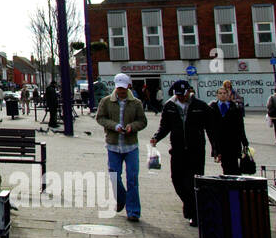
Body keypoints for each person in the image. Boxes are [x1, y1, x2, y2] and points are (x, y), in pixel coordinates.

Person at [150, 80, 210, 226]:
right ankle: (188, 203)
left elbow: (210, 128)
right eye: (178, 95)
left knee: (193, 182)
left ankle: (195, 213)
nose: (181, 97)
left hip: (196, 150)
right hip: (177, 150)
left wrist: (216, 148)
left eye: (183, 95)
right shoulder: (169, 106)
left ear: (189, 91)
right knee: (177, 180)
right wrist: (156, 137)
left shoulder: (200, 106)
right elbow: (165, 126)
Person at [96, 73, 147, 221]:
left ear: (128, 87)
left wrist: (132, 126)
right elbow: (100, 118)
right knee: (114, 175)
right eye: (119, 89)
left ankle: (133, 211)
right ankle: (121, 197)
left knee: (132, 178)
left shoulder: (136, 103)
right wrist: (114, 126)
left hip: (130, 146)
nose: (121, 92)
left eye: (124, 89)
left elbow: (142, 121)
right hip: (113, 144)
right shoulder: (106, 102)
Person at [208, 84, 249, 176]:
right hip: (220, 142)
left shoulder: (235, 108)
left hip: (233, 141)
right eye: (220, 93)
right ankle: (229, 185)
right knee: (225, 166)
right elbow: (210, 129)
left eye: (224, 93)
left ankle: (235, 186)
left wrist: (245, 142)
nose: (222, 95)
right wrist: (214, 147)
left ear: (228, 95)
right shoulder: (212, 108)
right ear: (217, 95)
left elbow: (240, 127)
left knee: (234, 166)